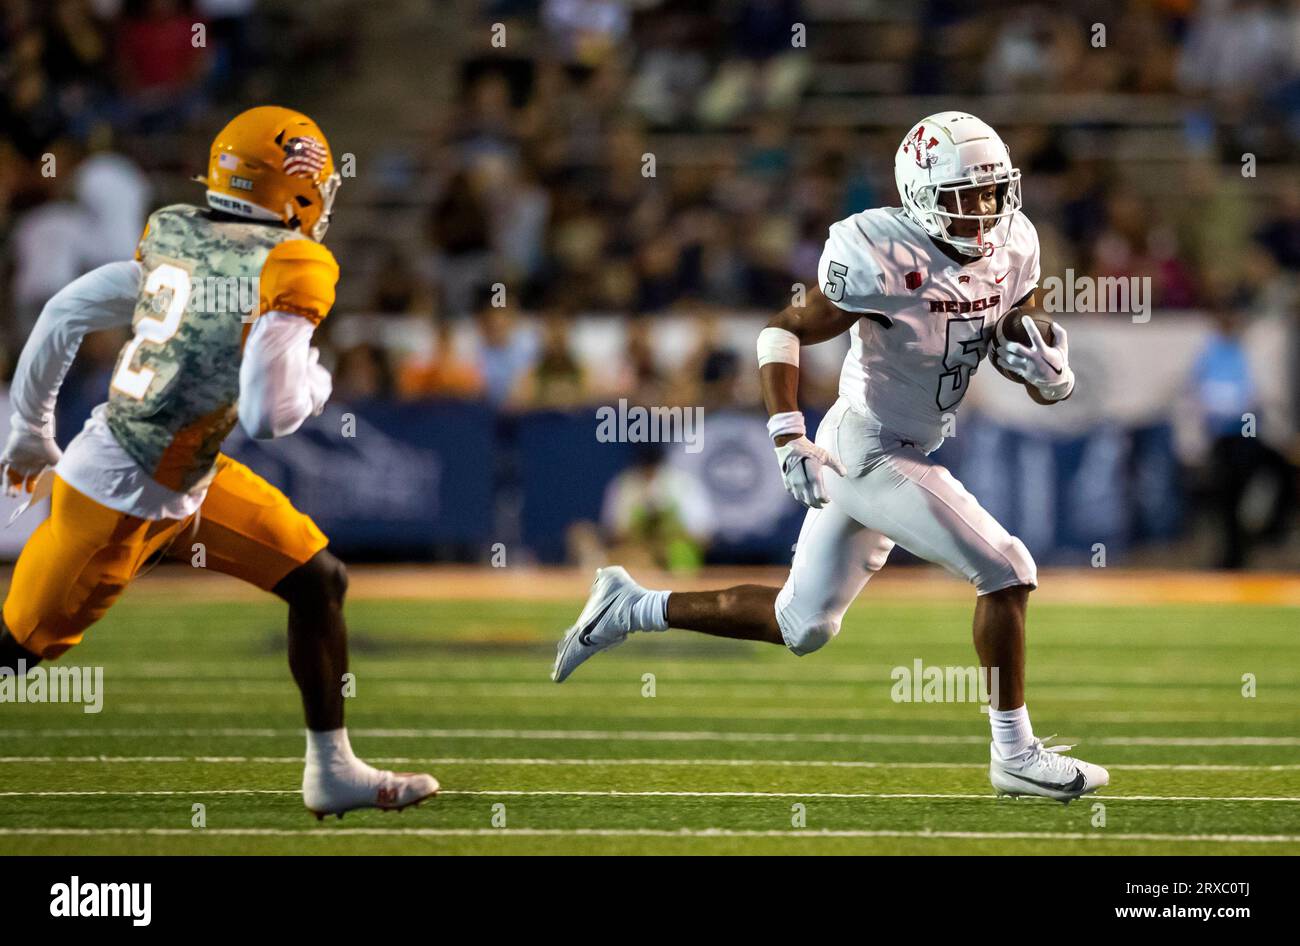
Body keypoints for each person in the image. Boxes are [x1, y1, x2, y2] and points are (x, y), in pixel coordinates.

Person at [552, 111, 1109, 804]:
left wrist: (1049, 372)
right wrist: (788, 434)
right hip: (868, 447)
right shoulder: (881, 252)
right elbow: (780, 332)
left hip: (908, 443)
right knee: (1007, 569)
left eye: (993, 192)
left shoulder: (1014, 242)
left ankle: (630, 606)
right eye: (966, 196)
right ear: (922, 196)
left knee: (801, 625)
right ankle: (1015, 754)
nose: (985, 211)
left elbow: (1017, 329)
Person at [0, 106, 438, 819]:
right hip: (116, 499)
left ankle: (331, 771)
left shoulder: (179, 230)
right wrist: (319, 385)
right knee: (17, 649)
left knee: (318, 580)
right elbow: (269, 416)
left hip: (183, 478)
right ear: (293, 189)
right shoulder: (292, 262)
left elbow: (66, 309)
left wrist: (27, 427)